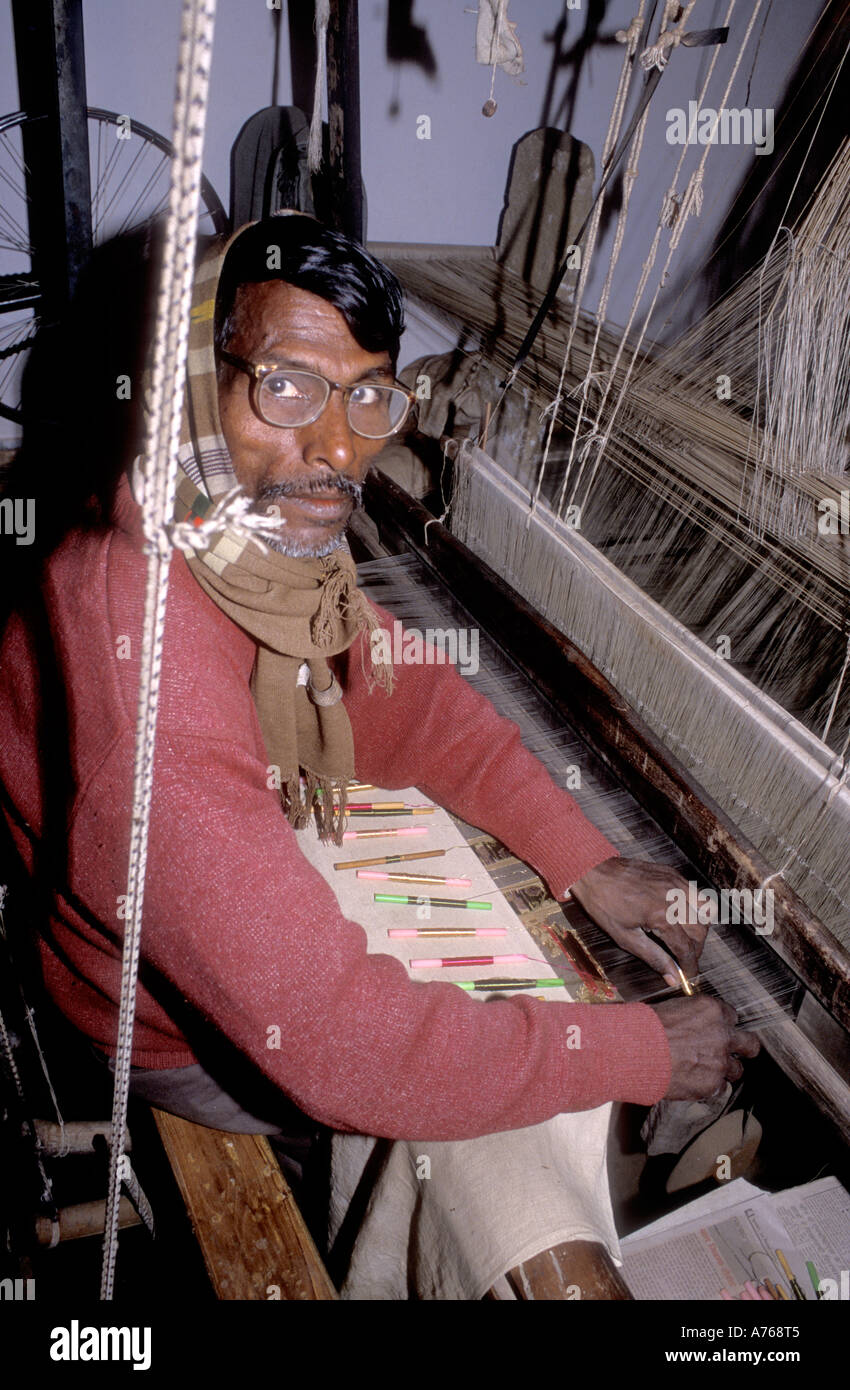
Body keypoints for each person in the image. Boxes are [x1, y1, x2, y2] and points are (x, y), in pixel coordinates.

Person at [0, 213, 758, 1201]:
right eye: (285, 385)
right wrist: (633, 1051)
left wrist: (585, 857)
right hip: (169, 1031)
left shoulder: (230, 530)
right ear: (192, 380)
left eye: (366, 395)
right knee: (480, 1169)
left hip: (210, 912)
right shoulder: (148, 674)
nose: (333, 450)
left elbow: (410, 702)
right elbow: (337, 1045)